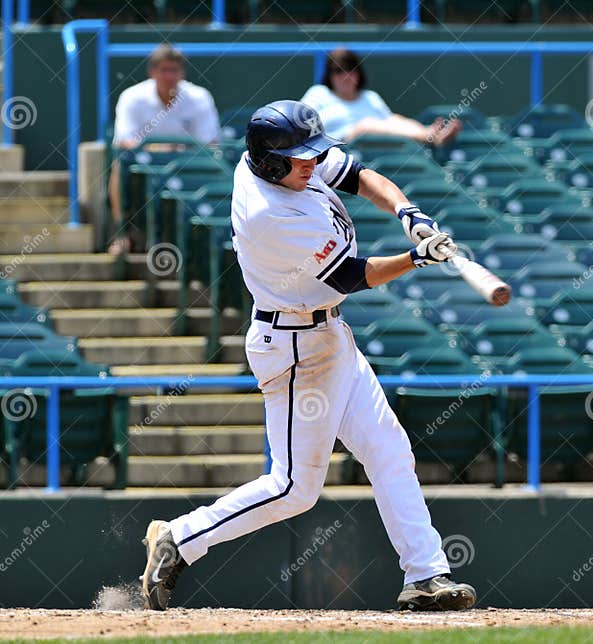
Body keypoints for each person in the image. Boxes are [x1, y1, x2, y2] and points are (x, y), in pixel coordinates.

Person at [139, 99, 477, 612]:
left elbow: (359, 176)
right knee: (294, 488)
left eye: (314, 154)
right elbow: (350, 276)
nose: (313, 164)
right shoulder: (269, 213)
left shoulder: (286, 163)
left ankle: (426, 575)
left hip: (327, 334)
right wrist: (415, 258)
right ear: (271, 162)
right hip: (295, 347)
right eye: (301, 158)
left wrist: (409, 214)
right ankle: (181, 539)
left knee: (388, 449)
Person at [108, 44, 221, 254]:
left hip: (188, 165)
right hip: (143, 167)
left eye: (174, 70)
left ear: (182, 73)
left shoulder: (200, 97)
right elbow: (124, 141)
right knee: (119, 166)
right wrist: (161, 150)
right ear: (152, 72)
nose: (169, 76)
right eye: (163, 70)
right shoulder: (132, 97)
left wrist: (172, 151)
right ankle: (123, 234)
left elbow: (209, 143)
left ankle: (198, 244)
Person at [300, 48, 461, 145]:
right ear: (330, 75)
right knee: (365, 125)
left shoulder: (369, 97)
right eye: (338, 71)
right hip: (337, 149)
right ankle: (429, 136)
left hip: (376, 148)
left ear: (358, 73)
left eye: (350, 69)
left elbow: (390, 120)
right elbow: (298, 123)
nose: (346, 76)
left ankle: (430, 132)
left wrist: (422, 129)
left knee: (394, 119)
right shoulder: (319, 93)